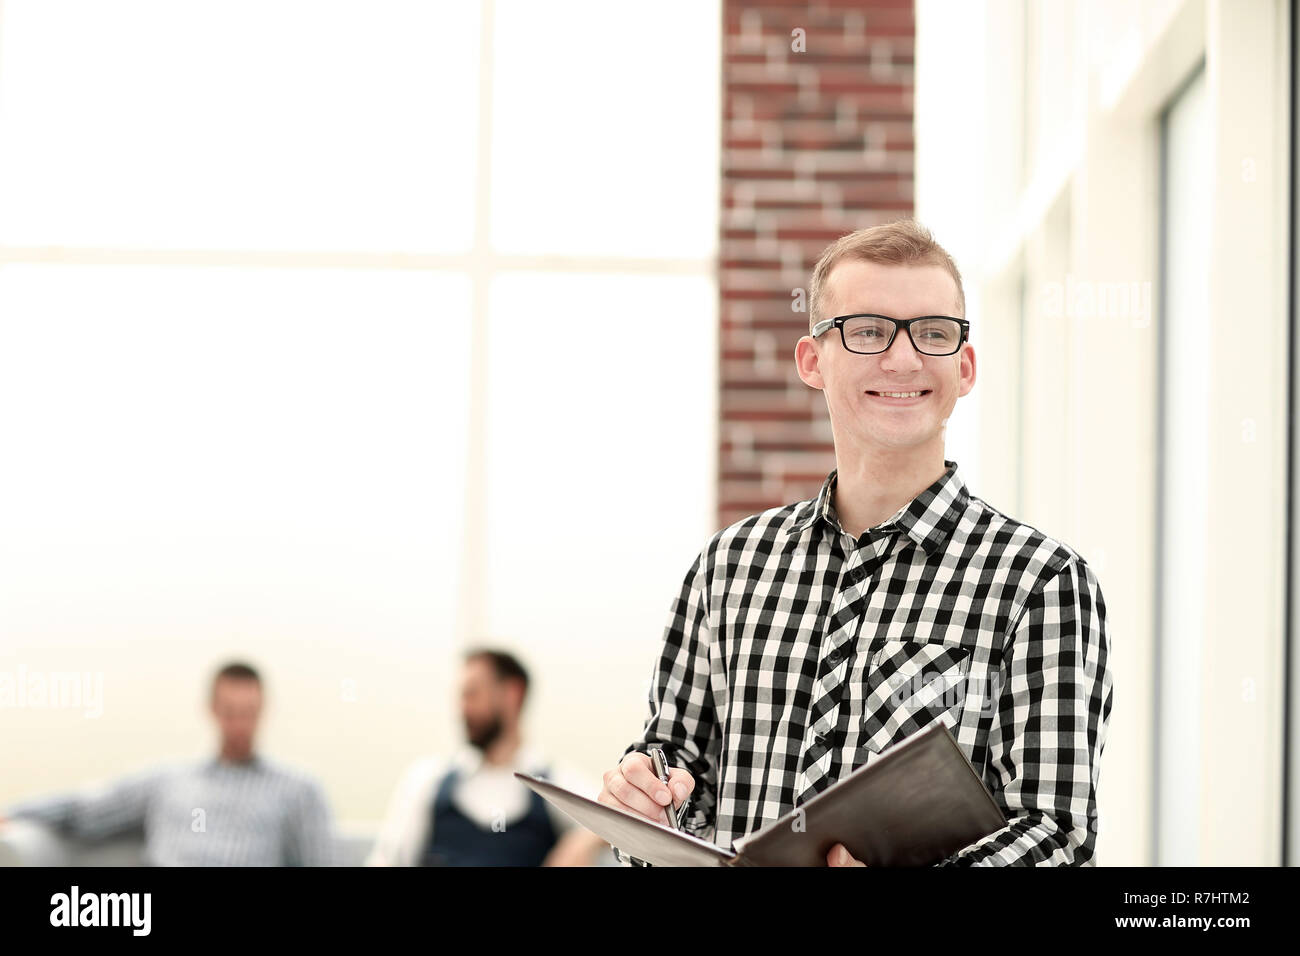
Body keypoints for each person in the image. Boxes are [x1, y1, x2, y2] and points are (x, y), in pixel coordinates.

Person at [597, 218, 1114, 866]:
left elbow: (1056, 835)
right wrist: (645, 801)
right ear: (812, 361)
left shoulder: (1043, 585)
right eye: (868, 331)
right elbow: (674, 769)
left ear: (966, 365)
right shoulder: (726, 568)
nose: (904, 359)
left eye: (932, 332)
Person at [1, 661, 334, 865]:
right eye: (231, 712)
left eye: (248, 712)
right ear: (212, 710)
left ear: (262, 710)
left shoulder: (299, 791)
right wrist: (14, 813)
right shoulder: (169, 782)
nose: (239, 725)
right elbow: (87, 809)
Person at [367, 648, 608, 866]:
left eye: (472, 694)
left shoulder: (557, 783)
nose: (462, 709)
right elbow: (387, 861)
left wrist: (582, 842)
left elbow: (619, 819)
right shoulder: (427, 779)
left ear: (512, 694)